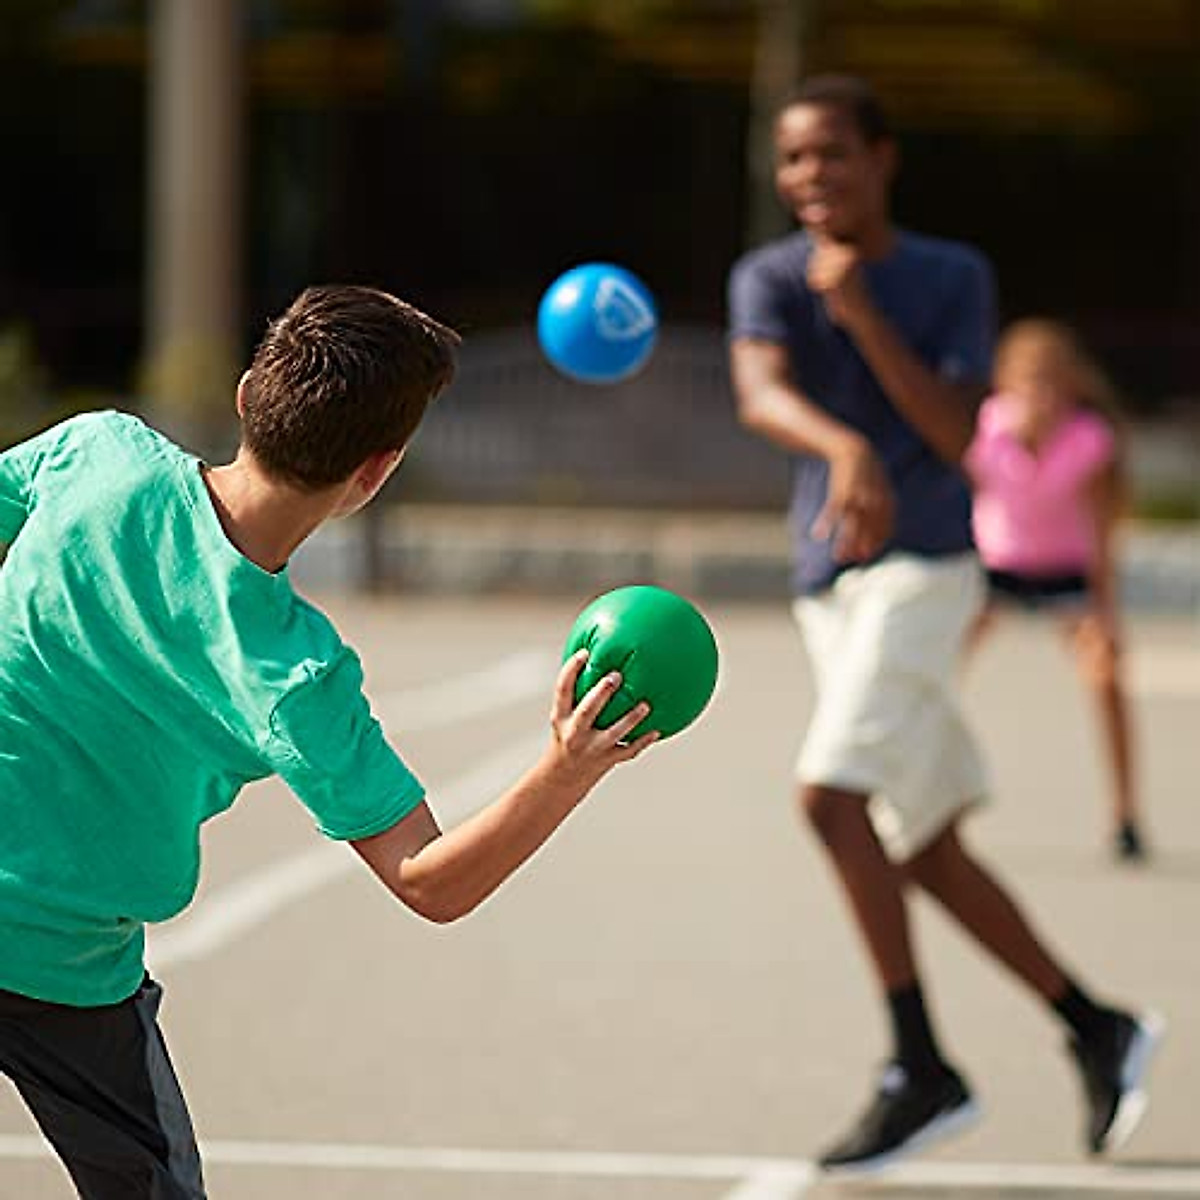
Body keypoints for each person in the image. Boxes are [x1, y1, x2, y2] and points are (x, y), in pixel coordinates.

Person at [0, 284, 659, 1199]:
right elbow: (431, 880)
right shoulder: (298, 677)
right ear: (374, 474)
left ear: (244, 394)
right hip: (63, 971)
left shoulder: (96, 452)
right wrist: (567, 765)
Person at [726, 74, 1162, 1174]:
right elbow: (757, 392)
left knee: (831, 802)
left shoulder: (948, 277)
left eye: (831, 153)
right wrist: (843, 448)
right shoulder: (768, 276)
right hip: (829, 587)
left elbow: (961, 431)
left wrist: (862, 313)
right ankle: (1094, 1024)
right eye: (792, 159)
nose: (809, 177)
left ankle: (918, 1065)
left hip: (927, 574)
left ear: (883, 158)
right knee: (924, 849)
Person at [964, 318, 1146, 862]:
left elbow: (1104, 525)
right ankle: (917, 798)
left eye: (1049, 380)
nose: (1038, 393)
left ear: (1071, 384)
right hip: (996, 570)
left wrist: (1107, 610)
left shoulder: (1090, 439)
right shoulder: (989, 428)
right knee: (930, 673)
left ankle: (1125, 811)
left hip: (1066, 573)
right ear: (1005, 384)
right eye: (1026, 380)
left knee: (1107, 677)